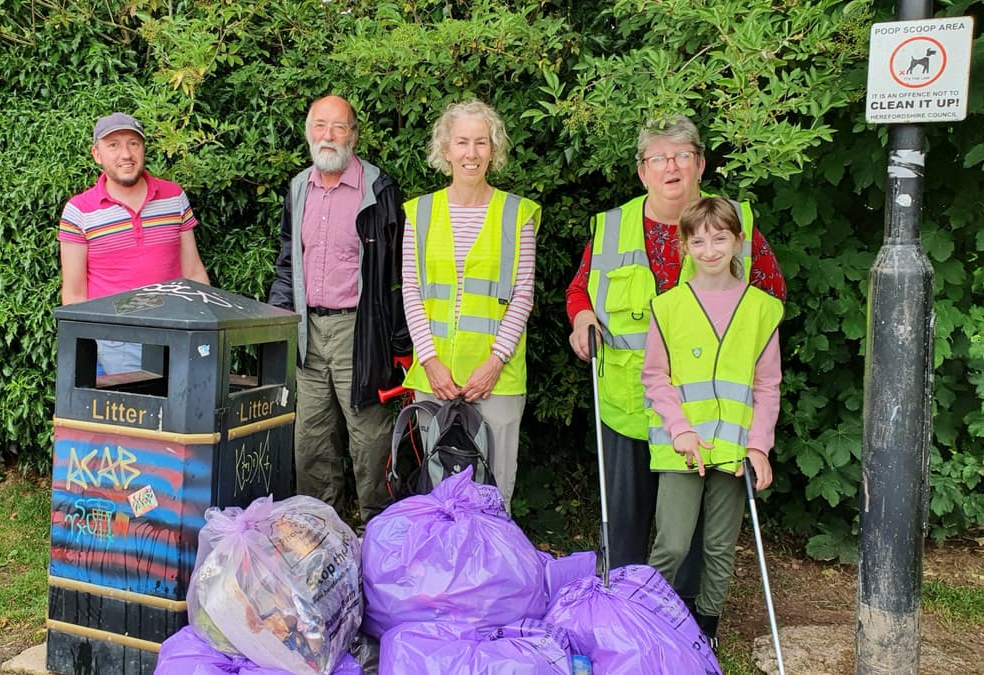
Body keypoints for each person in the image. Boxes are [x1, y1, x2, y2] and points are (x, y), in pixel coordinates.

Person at [565, 114, 785, 572]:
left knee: (690, 527)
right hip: (627, 401)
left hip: (701, 408)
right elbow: (580, 288)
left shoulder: (731, 223)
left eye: (682, 156)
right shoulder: (611, 227)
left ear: (700, 164)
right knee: (623, 522)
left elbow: (769, 295)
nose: (672, 167)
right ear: (643, 170)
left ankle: (685, 619)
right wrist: (581, 315)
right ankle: (625, 610)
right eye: (659, 158)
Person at [642, 196, 782, 648]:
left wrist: (758, 445)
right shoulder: (668, 307)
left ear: (739, 243)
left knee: (720, 548)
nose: (710, 249)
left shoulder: (762, 308)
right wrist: (681, 430)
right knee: (674, 544)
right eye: (698, 240)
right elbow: (655, 376)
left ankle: (706, 628)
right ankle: (647, 619)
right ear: (685, 246)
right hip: (680, 445)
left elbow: (767, 385)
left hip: (735, 450)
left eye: (720, 238)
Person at [268, 95, 410, 524]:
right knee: (309, 441)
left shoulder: (378, 190)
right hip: (307, 331)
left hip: (360, 332)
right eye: (319, 125)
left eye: (339, 127)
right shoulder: (298, 188)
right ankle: (319, 532)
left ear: (354, 134)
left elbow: (400, 272)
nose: (328, 135)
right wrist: (278, 317)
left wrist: (399, 341)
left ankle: (380, 534)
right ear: (308, 131)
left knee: (370, 440)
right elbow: (288, 260)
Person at [401, 99, 540, 508]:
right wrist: (429, 360)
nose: (471, 153)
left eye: (481, 142)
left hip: (498, 379)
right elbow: (411, 290)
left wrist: (495, 361)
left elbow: (522, 295)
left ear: (493, 150)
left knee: (494, 495)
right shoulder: (420, 213)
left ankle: (492, 573)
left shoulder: (518, 214)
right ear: (445, 150)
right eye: (462, 142)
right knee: (438, 496)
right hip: (435, 377)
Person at [59, 112, 210, 374]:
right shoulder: (79, 211)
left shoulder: (173, 197)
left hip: (176, 335)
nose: (126, 154)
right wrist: (84, 354)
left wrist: (204, 328)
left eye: (133, 143)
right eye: (113, 145)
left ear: (143, 149)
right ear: (97, 154)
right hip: (113, 342)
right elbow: (73, 294)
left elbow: (193, 271)